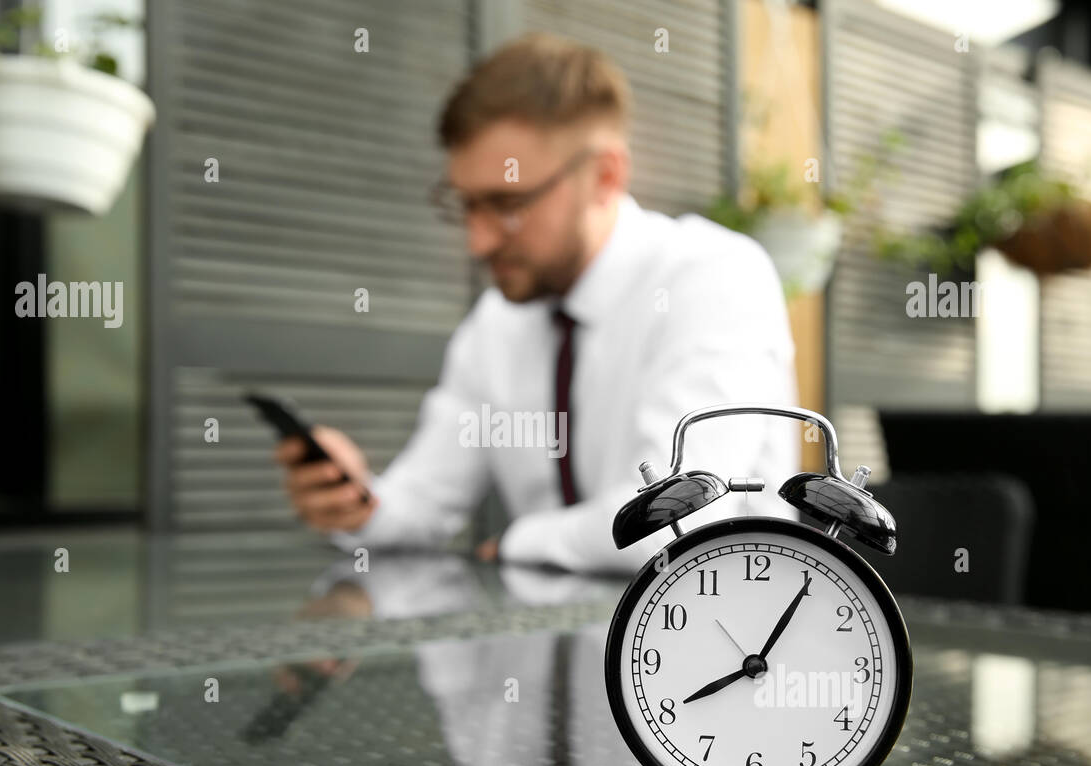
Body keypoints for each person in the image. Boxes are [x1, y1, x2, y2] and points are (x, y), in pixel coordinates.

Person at [276, 32, 799, 575]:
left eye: (506, 204)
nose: (477, 242)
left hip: (730, 644)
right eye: (466, 205)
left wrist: (518, 542)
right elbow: (424, 504)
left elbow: (675, 521)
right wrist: (357, 506)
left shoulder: (714, 276)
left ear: (605, 176)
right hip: (551, 646)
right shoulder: (497, 324)